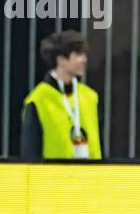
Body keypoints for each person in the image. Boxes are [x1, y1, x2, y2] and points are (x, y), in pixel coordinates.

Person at [21, 30, 102, 160]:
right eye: (78, 54)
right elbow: (30, 154)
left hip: (92, 172)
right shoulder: (38, 99)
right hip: (53, 173)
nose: (84, 59)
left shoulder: (90, 96)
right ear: (61, 60)